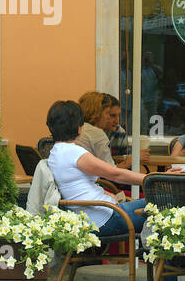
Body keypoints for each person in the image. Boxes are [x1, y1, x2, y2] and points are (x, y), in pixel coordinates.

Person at [45, 100, 148, 238]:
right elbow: (115, 174)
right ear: (79, 127)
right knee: (165, 204)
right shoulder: (73, 152)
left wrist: (106, 193)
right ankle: (166, 257)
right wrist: (156, 179)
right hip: (105, 219)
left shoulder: (55, 153)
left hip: (94, 217)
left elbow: (78, 184)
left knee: (159, 207)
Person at [76, 91, 117, 166]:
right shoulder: (97, 133)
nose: (108, 117)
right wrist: (129, 162)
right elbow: (110, 169)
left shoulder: (75, 128)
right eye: (107, 113)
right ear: (97, 113)